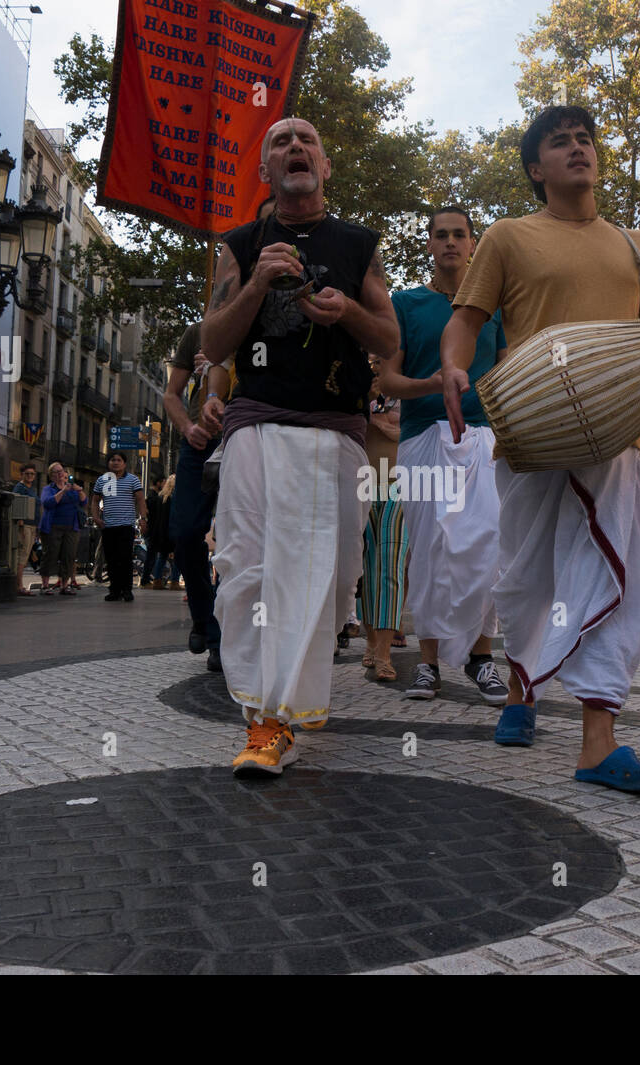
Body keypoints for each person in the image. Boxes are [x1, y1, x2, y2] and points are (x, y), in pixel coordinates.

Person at [440, 105, 640, 795]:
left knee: (610, 575)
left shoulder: (637, 242)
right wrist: (454, 368)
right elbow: (465, 322)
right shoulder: (507, 236)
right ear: (536, 168)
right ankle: (523, 689)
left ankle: (597, 739)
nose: (579, 148)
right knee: (527, 577)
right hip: (531, 427)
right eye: (561, 142)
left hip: (619, 435)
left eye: (586, 139)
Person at [200, 116, 399, 776]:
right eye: (280, 141)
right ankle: (265, 722)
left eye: (307, 138)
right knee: (249, 567)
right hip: (255, 422)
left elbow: (389, 340)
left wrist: (347, 313)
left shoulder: (357, 244)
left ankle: (290, 706)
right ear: (266, 171)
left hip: (335, 429)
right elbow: (214, 346)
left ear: (325, 165)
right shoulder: (238, 244)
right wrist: (257, 284)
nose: (294, 147)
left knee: (330, 576)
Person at [376, 204, 509, 704]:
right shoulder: (405, 304)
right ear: (428, 244)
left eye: (459, 234)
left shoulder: (493, 307)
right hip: (422, 436)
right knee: (430, 548)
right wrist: (433, 382)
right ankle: (428, 664)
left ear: (473, 244)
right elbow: (386, 379)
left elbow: (504, 373)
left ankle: (480, 657)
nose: (450, 242)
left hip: (482, 437)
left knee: (486, 548)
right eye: (440, 234)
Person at [164, 322, 223, 666]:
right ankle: (203, 614)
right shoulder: (197, 332)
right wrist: (187, 427)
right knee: (185, 533)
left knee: (234, 538)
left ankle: (219, 634)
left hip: (243, 436)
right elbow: (171, 394)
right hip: (198, 443)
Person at [356, 380, 408, 682]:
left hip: (401, 485)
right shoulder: (357, 389)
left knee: (391, 565)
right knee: (363, 568)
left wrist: (387, 427)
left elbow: (421, 430)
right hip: (361, 484)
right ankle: (372, 640)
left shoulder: (408, 389)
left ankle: (385, 653)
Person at [92, 451, 146, 602]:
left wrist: (143, 519)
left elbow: (141, 500)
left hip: (126, 526)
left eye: (119, 460)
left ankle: (127, 590)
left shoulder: (133, 480)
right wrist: (96, 517)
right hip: (108, 526)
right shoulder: (102, 480)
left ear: (124, 463)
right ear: (108, 463)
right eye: (112, 460)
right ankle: (114, 590)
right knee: (111, 559)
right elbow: (95, 500)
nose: (115, 462)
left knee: (125, 558)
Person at [39, 462, 87, 595]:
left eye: (61, 471)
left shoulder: (71, 489)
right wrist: (63, 491)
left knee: (69, 555)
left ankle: (64, 585)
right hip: (53, 527)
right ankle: (45, 585)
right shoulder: (49, 489)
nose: (61, 473)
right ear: (51, 476)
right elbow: (48, 503)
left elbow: (84, 502)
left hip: (71, 527)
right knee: (50, 555)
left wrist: (79, 490)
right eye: (57, 472)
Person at [11, 463, 40, 596]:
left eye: (32, 474)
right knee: (22, 556)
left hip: (32, 525)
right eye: (27, 473)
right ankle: (19, 586)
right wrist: (21, 526)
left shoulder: (31, 489)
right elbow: (17, 506)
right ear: (22, 475)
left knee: (25, 555)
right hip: (25, 526)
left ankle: (18, 585)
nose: (30, 476)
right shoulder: (19, 488)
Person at [139, 473, 165, 587]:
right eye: (163, 482)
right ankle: (144, 580)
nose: (165, 485)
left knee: (152, 556)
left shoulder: (154, 495)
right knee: (151, 556)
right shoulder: (152, 496)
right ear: (158, 483)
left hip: (153, 529)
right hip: (151, 530)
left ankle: (145, 579)